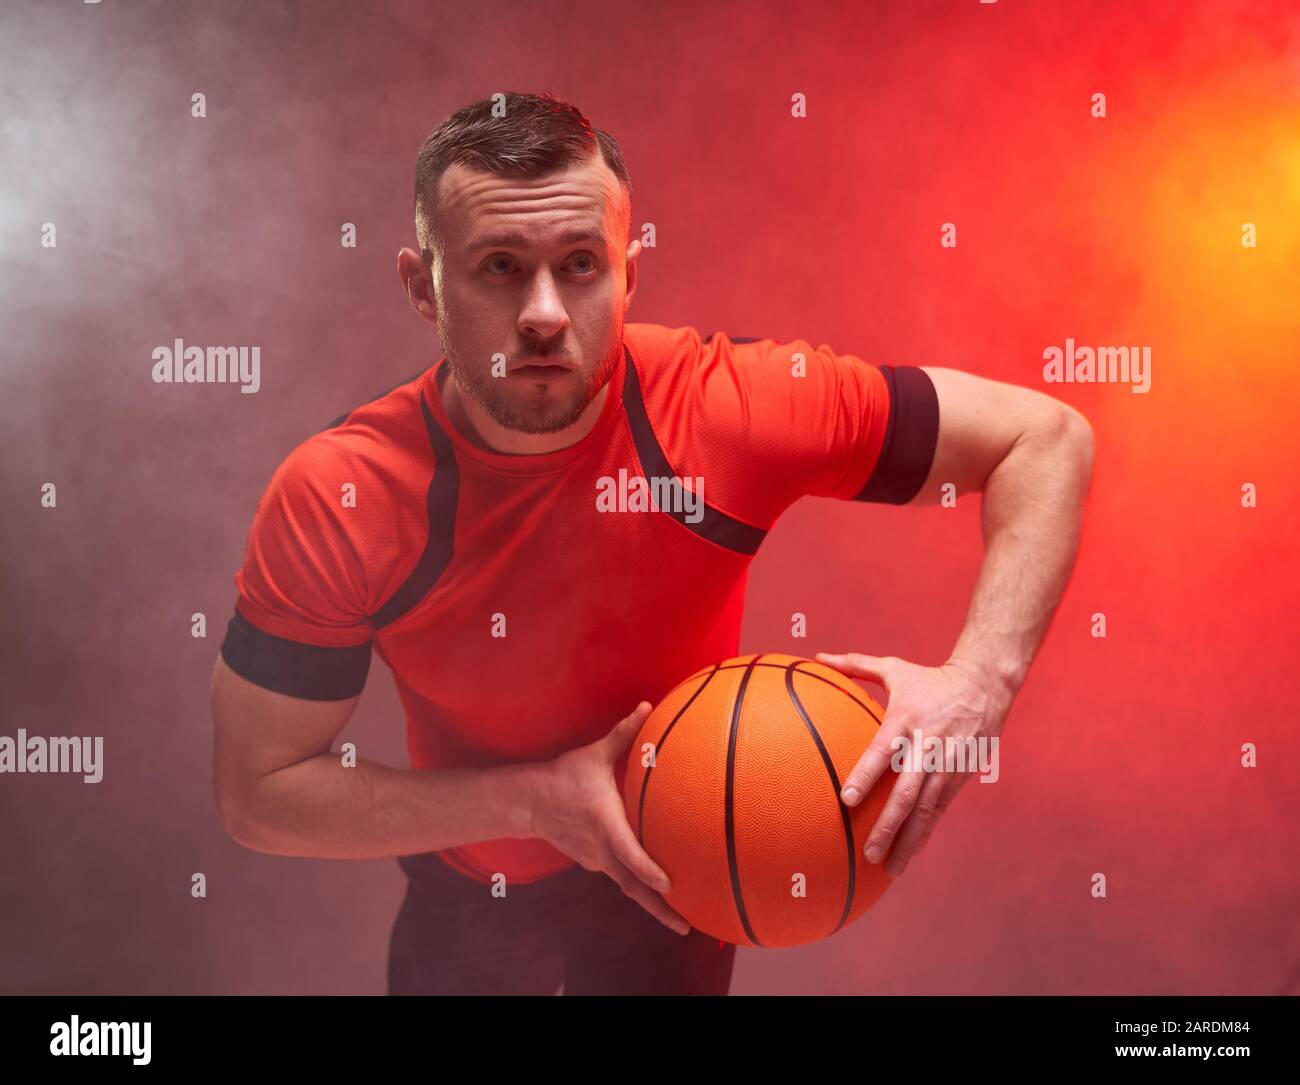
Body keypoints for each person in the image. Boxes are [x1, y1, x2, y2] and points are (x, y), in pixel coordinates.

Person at [210, 91, 1094, 996]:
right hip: (473, 889)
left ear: (630, 276)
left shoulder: (728, 408)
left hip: (688, 878)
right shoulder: (340, 495)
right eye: (500, 266)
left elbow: (1045, 437)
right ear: (420, 285)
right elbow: (260, 790)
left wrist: (979, 685)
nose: (544, 313)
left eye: (581, 263)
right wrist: (534, 799)